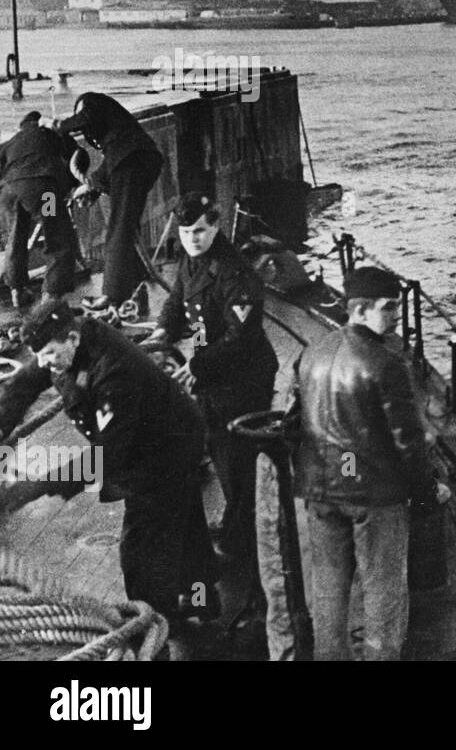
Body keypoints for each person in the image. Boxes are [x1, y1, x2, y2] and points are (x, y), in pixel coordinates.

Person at [0, 300, 218, 655]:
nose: (45, 363)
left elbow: (106, 456)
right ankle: (204, 604)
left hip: (165, 453)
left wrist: (31, 489)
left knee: (141, 554)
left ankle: (154, 637)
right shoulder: (62, 342)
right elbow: (23, 385)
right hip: (158, 436)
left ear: (71, 338)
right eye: (40, 355)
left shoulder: (112, 370)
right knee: (189, 529)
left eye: (51, 354)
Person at [292, 266, 444, 661]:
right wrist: (427, 495)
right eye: (389, 307)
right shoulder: (384, 363)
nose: (396, 315)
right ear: (360, 310)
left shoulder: (313, 353)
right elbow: (408, 443)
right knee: (383, 592)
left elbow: (300, 423)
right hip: (373, 497)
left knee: (328, 589)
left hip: (320, 491)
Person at [145, 193, 277, 577]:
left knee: (236, 460)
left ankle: (243, 549)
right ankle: (238, 529)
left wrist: (198, 367)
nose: (192, 239)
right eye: (185, 232)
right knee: (220, 450)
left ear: (216, 226)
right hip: (212, 372)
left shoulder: (236, 275)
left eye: (200, 231)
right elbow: (177, 299)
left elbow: (242, 338)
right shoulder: (191, 260)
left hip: (242, 378)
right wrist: (162, 331)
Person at [57, 91, 164, 317]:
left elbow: (85, 118)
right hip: (137, 160)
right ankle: (135, 296)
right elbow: (110, 164)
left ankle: (112, 296)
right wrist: (93, 187)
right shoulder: (116, 133)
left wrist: (57, 125)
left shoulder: (91, 101)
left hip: (133, 160)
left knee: (119, 226)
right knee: (126, 227)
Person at [0, 111, 83, 305]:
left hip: (10, 192)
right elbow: (79, 157)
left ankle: (17, 290)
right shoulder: (52, 134)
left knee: (16, 238)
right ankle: (51, 296)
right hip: (44, 191)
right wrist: (74, 186)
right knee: (58, 235)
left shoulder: (11, 141)